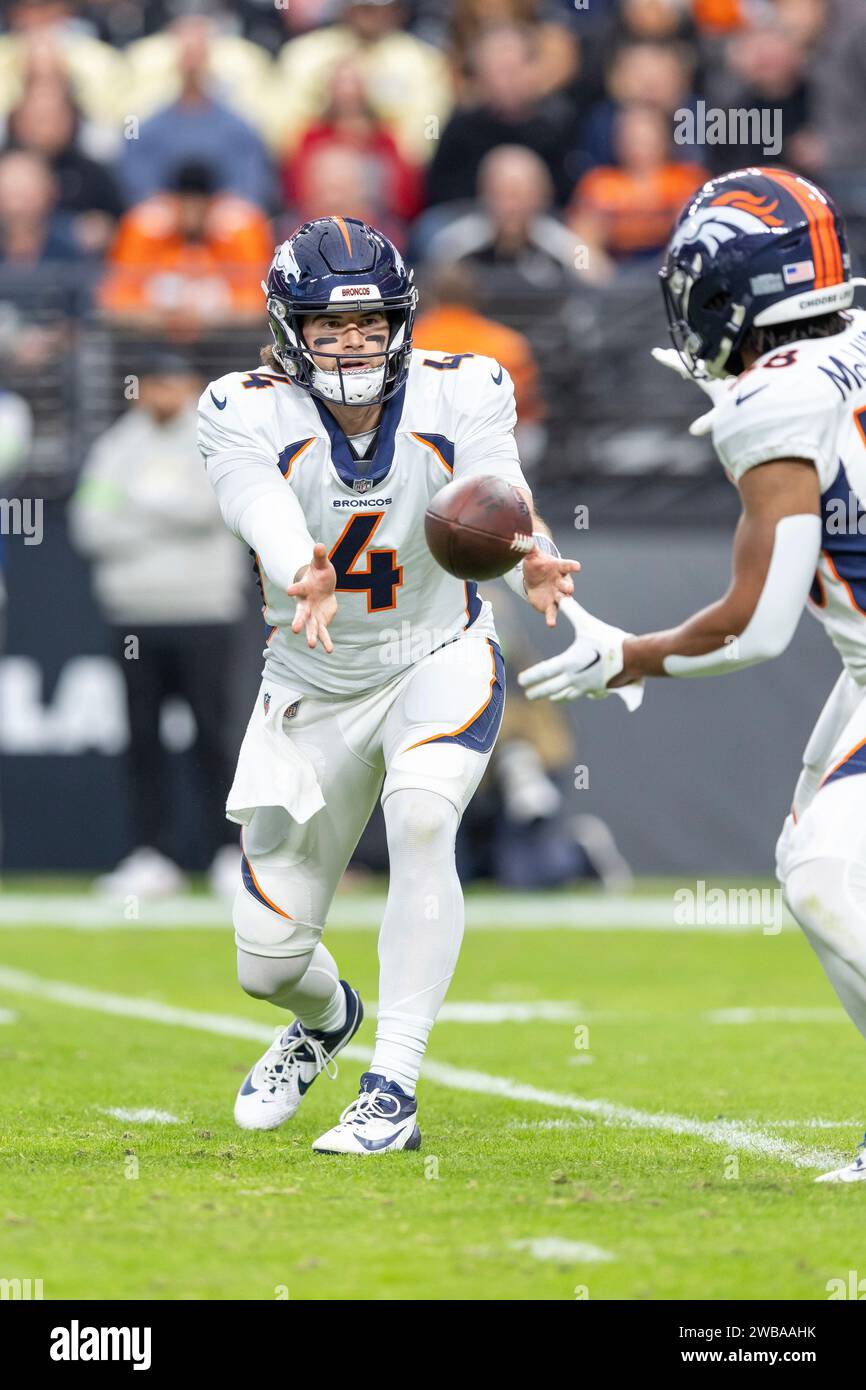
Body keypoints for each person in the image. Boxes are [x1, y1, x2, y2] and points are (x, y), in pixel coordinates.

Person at [198, 216, 580, 1154]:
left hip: (434, 651)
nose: (354, 345)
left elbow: (496, 483)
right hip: (312, 677)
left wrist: (528, 543)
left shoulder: (467, 385)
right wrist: (302, 566)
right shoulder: (240, 407)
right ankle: (328, 1023)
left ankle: (393, 1086)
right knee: (268, 961)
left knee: (420, 818)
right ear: (289, 330)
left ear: (403, 322)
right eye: (330, 327)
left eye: (370, 326)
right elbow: (257, 503)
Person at [517, 166, 866, 1184]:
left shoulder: (775, 397)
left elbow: (757, 626)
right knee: (808, 841)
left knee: (818, 876)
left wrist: (623, 655)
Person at [69, 352, 248, 901]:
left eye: (171, 382)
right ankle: (153, 854)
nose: (161, 393)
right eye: (151, 384)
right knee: (142, 737)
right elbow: (90, 526)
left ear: (190, 385)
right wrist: (168, 511)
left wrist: (142, 509)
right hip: (134, 615)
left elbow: (216, 509)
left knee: (214, 736)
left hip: (204, 611)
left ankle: (228, 851)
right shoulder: (117, 446)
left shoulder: (216, 436)